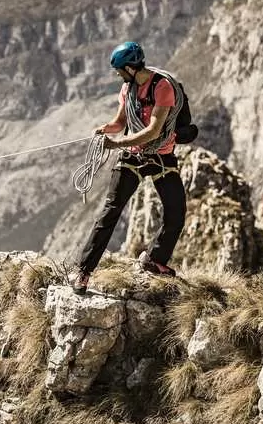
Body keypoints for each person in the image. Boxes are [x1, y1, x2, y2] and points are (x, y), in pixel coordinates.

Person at [72, 41, 187, 294]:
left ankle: (155, 260)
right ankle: (83, 271)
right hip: (134, 155)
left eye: (119, 70)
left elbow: (154, 130)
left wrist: (117, 142)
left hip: (160, 155)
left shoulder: (162, 87)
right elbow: (120, 121)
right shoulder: (127, 89)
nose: (117, 75)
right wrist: (105, 130)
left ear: (130, 67)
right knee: (111, 211)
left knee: (176, 211)